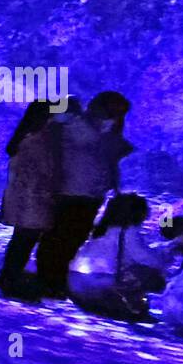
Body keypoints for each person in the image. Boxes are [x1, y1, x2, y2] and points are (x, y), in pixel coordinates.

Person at [35, 91, 134, 296]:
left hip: (91, 193)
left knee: (75, 237)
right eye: (115, 110)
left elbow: (107, 157)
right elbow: (90, 144)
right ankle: (47, 279)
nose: (116, 116)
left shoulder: (101, 129)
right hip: (71, 190)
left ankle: (56, 279)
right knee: (59, 236)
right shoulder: (77, 125)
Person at [0, 101, 59, 300]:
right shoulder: (37, 142)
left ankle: (8, 277)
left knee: (20, 240)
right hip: (33, 199)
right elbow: (45, 172)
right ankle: (10, 280)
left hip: (26, 198)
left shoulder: (26, 138)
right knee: (24, 241)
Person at [68, 193, 165, 321]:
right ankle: (134, 309)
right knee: (149, 274)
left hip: (74, 280)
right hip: (100, 283)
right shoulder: (127, 230)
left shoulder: (100, 226)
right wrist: (163, 262)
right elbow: (143, 257)